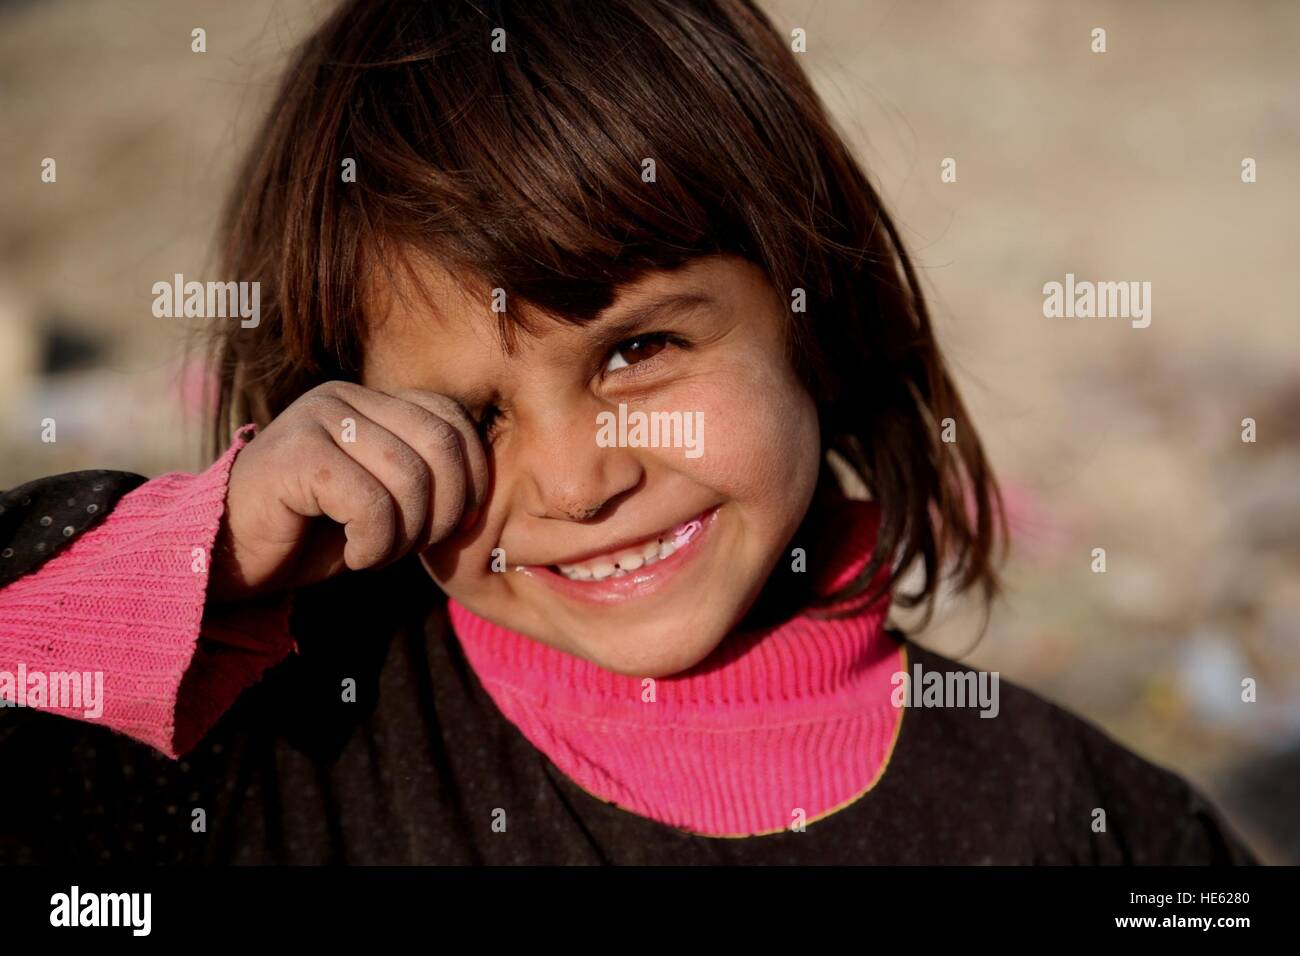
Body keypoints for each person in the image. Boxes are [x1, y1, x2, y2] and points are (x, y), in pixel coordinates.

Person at [0, 0, 1255, 864]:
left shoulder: (1087, 822)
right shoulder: (277, 746)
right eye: (465, 415)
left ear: (810, 306)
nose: (576, 478)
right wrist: (200, 560)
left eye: (637, 349)